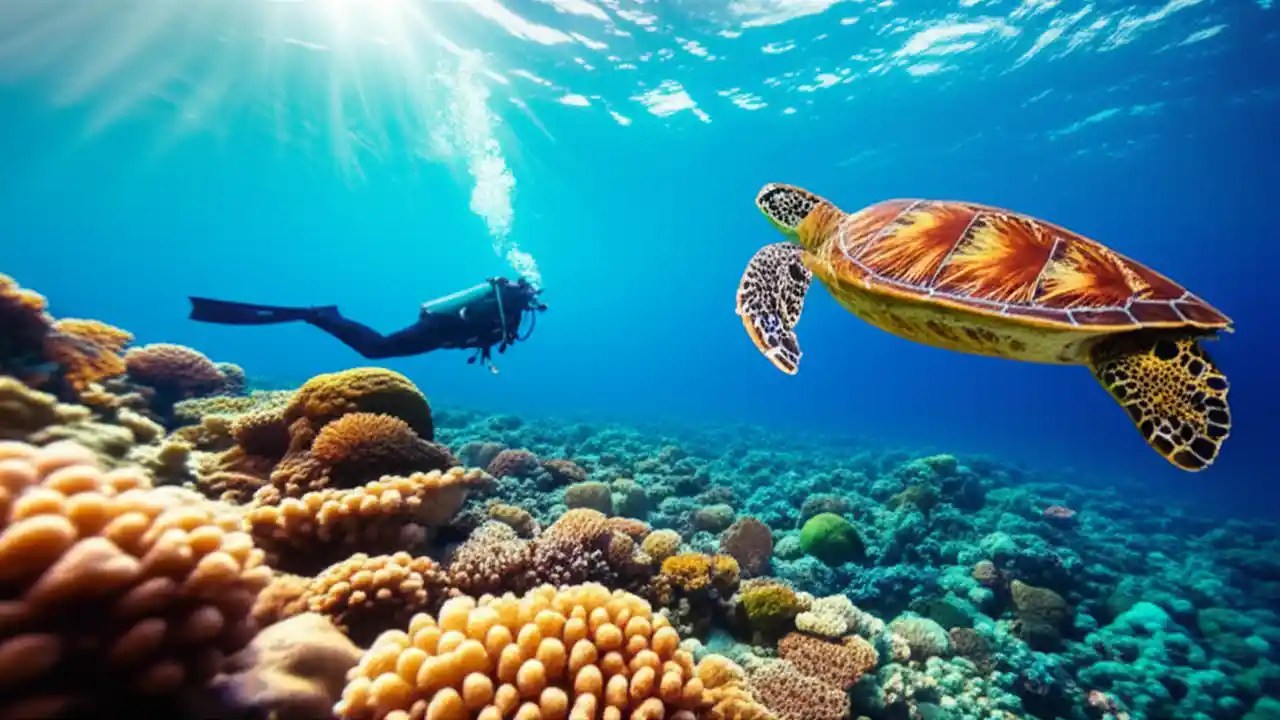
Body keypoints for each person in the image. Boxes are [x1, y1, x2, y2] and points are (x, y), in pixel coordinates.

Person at [188, 277, 547, 372]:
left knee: (380, 349)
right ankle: (321, 315)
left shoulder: (506, 308)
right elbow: (468, 322)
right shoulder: (504, 306)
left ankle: (323, 316)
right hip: (437, 330)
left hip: (438, 332)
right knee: (377, 348)